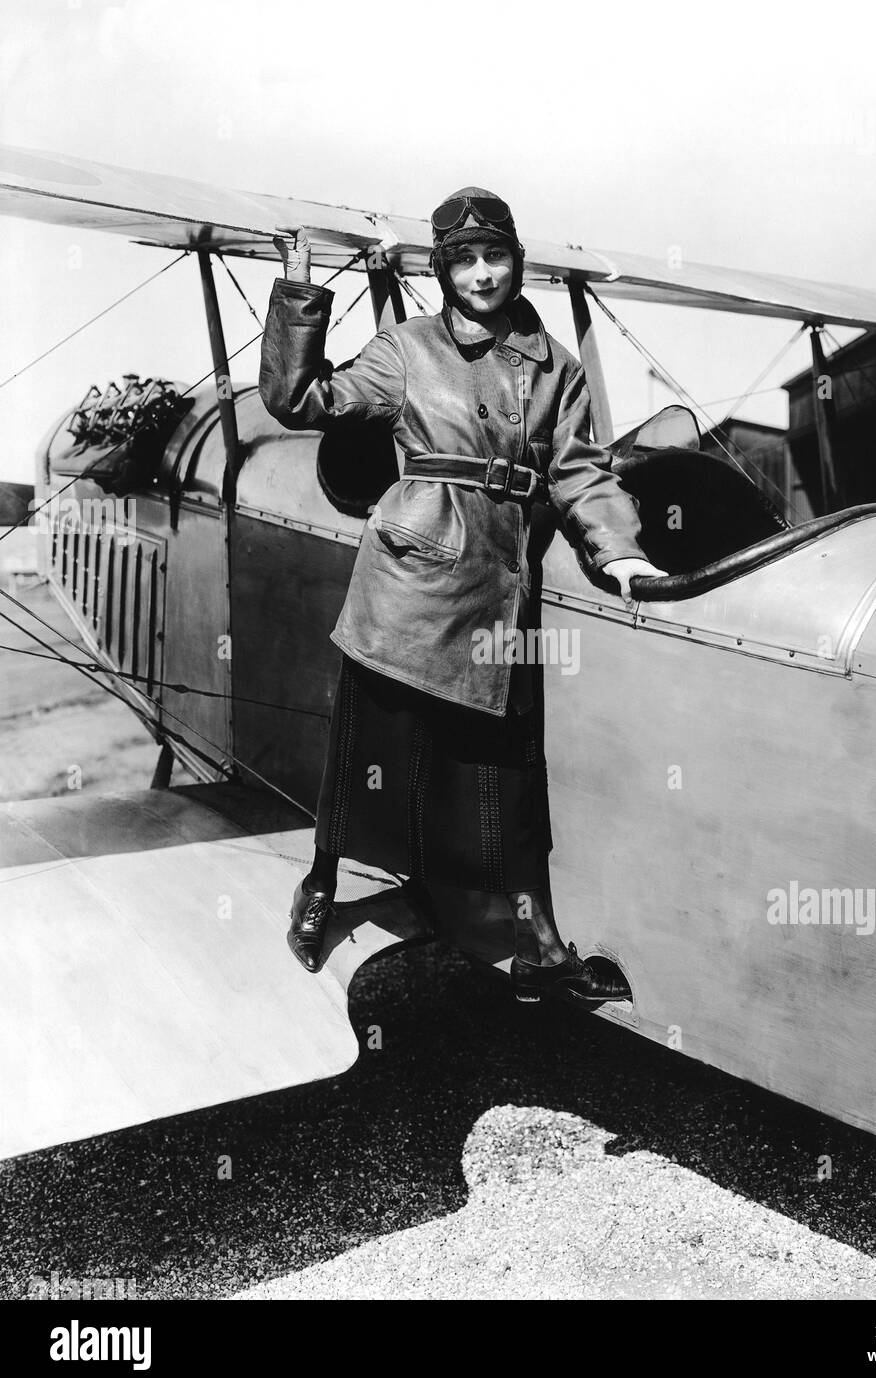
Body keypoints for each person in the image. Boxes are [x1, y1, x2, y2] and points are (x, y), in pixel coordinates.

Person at [260, 186, 665, 1001]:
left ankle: (536, 949)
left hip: (494, 591)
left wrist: (619, 551)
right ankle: (321, 887)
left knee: (503, 778)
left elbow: (580, 470)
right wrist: (300, 287)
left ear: (519, 260)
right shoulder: (406, 349)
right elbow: (301, 401)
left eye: (497, 257)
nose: (483, 274)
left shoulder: (557, 366)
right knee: (361, 761)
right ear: (442, 270)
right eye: (464, 261)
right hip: (406, 583)